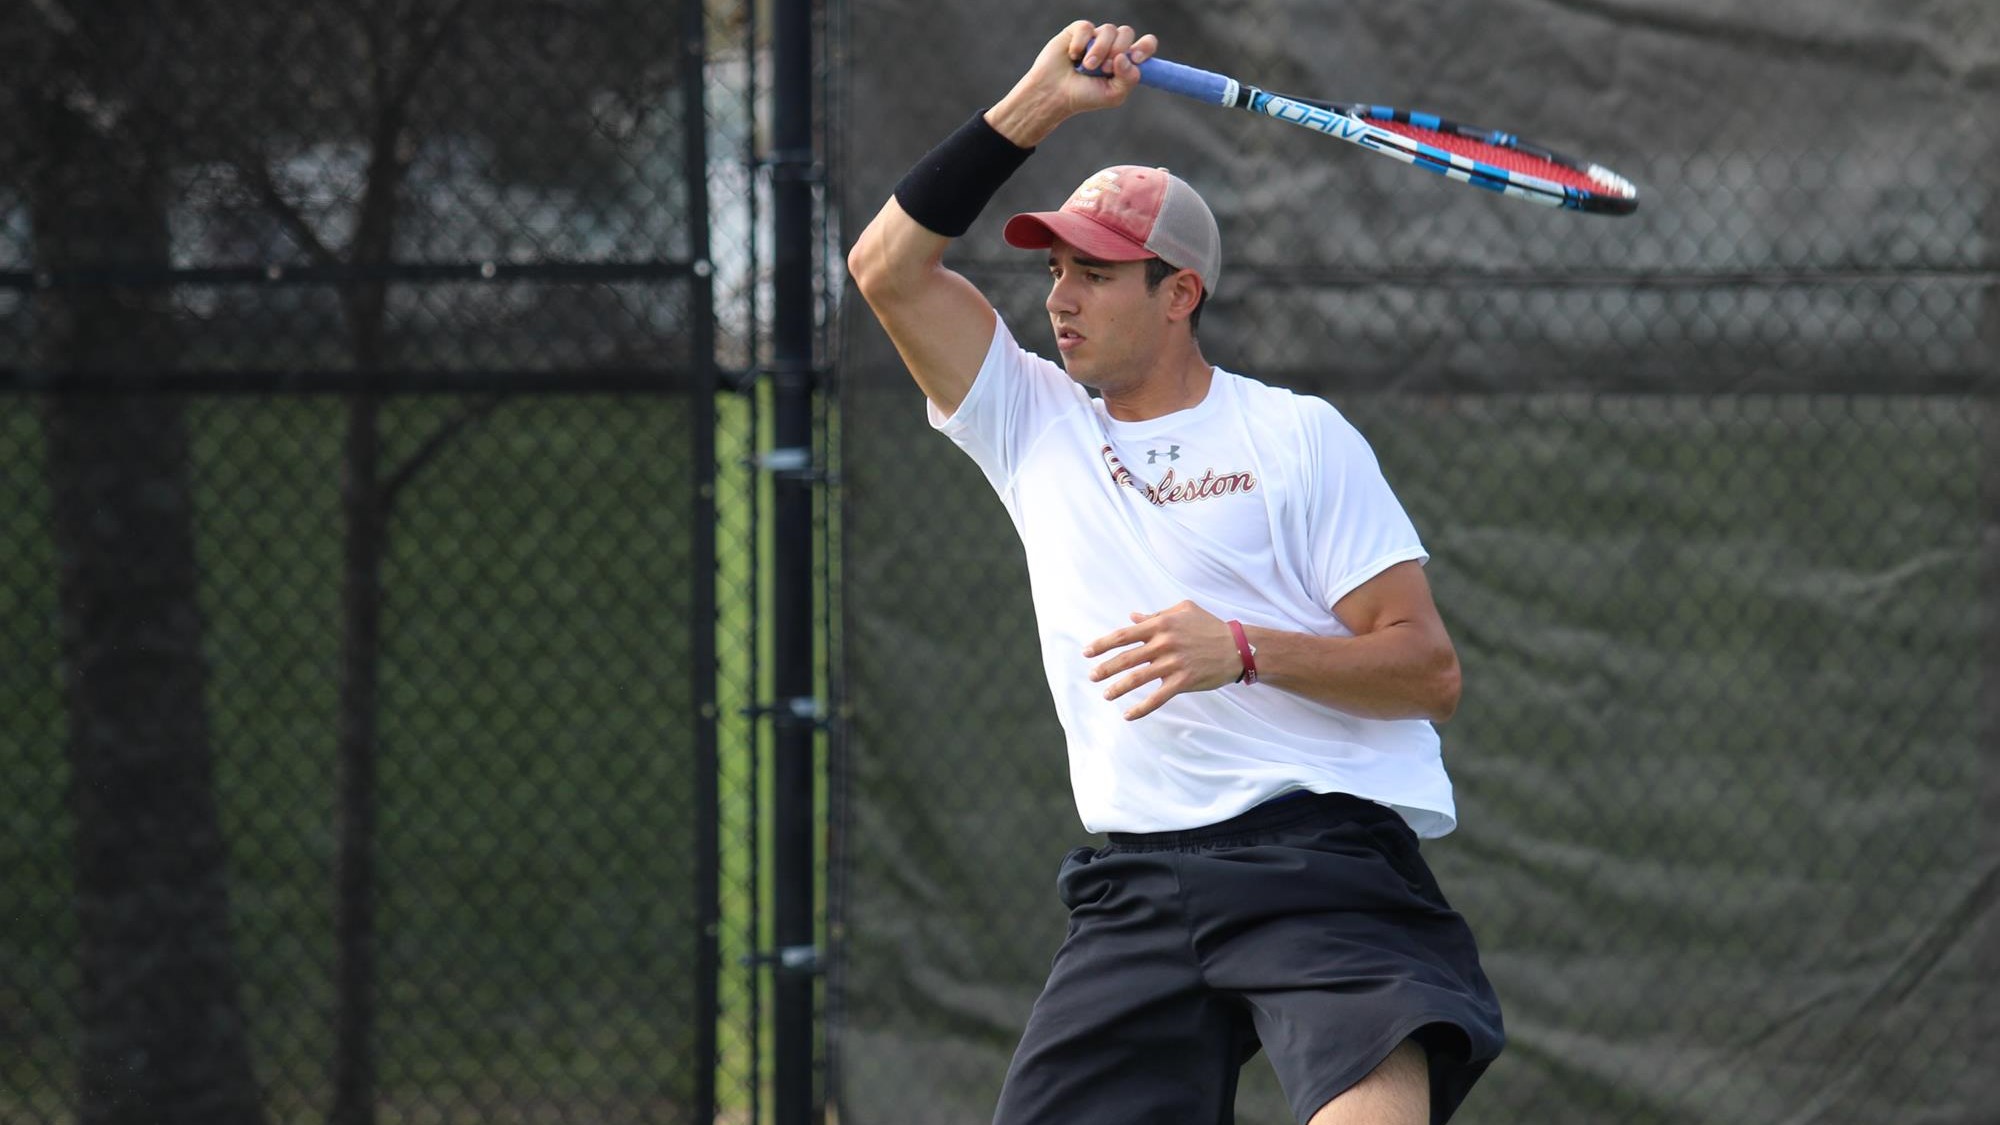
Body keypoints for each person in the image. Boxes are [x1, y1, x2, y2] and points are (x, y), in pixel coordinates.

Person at [847, 19, 1505, 1125]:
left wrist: (1242, 653)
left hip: (1322, 861)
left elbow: (1425, 671)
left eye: (1094, 274)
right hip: (1137, 886)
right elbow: (884, 266)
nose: (1057, 299)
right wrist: (1036, 108)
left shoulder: (1297, 437)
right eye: (1053, 270)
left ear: (1177, 293)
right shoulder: (1028, 425)